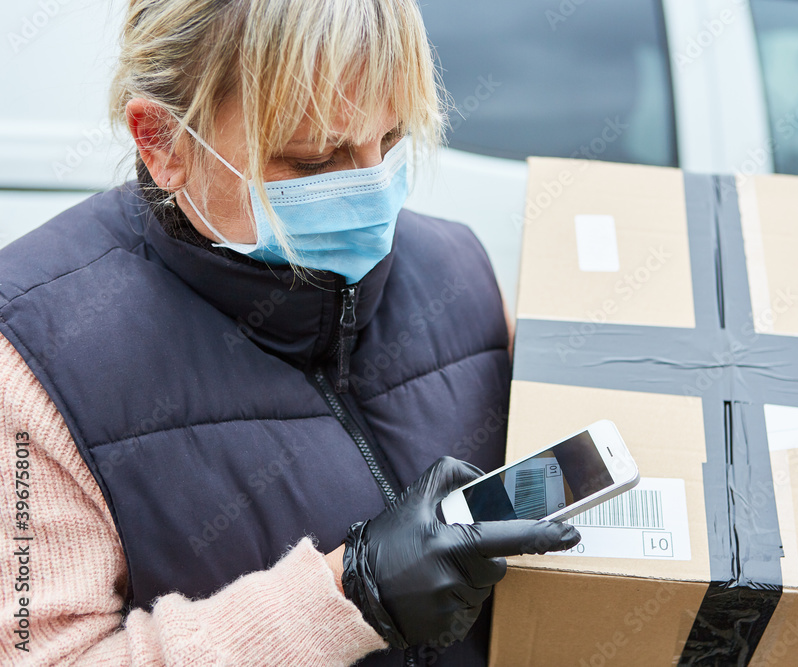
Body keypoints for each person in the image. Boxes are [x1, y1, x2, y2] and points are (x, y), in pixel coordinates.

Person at [0, 0, 580, 665]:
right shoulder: (33, 358)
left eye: (390, 142)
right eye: (312, 161)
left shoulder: (462, 273)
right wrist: (347, 595)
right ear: (161, 140)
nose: (369, 188)